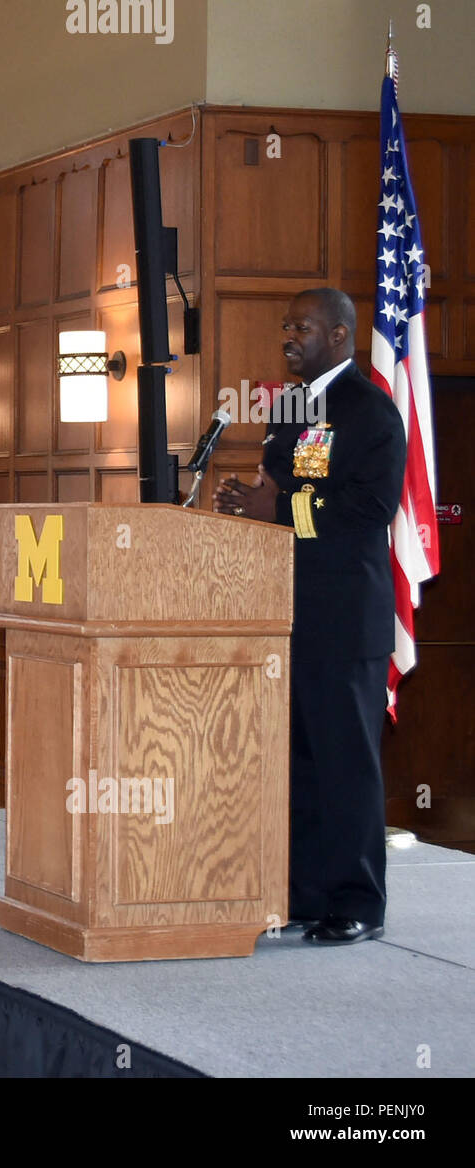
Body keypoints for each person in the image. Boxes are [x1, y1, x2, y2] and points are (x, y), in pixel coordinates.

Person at [213, 287, 405, 945]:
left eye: (304, 325)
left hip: (344, 619)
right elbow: (280, 487)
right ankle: (304, 894)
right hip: (287, 612)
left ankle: (358, 903)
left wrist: (281, 511)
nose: (290, 334)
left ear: (341, 336)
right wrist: (246, 501)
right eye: (286, 324)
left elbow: (365, 511)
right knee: (296, 763)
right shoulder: (290, 405)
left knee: (345, 764)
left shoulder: (371, 411)